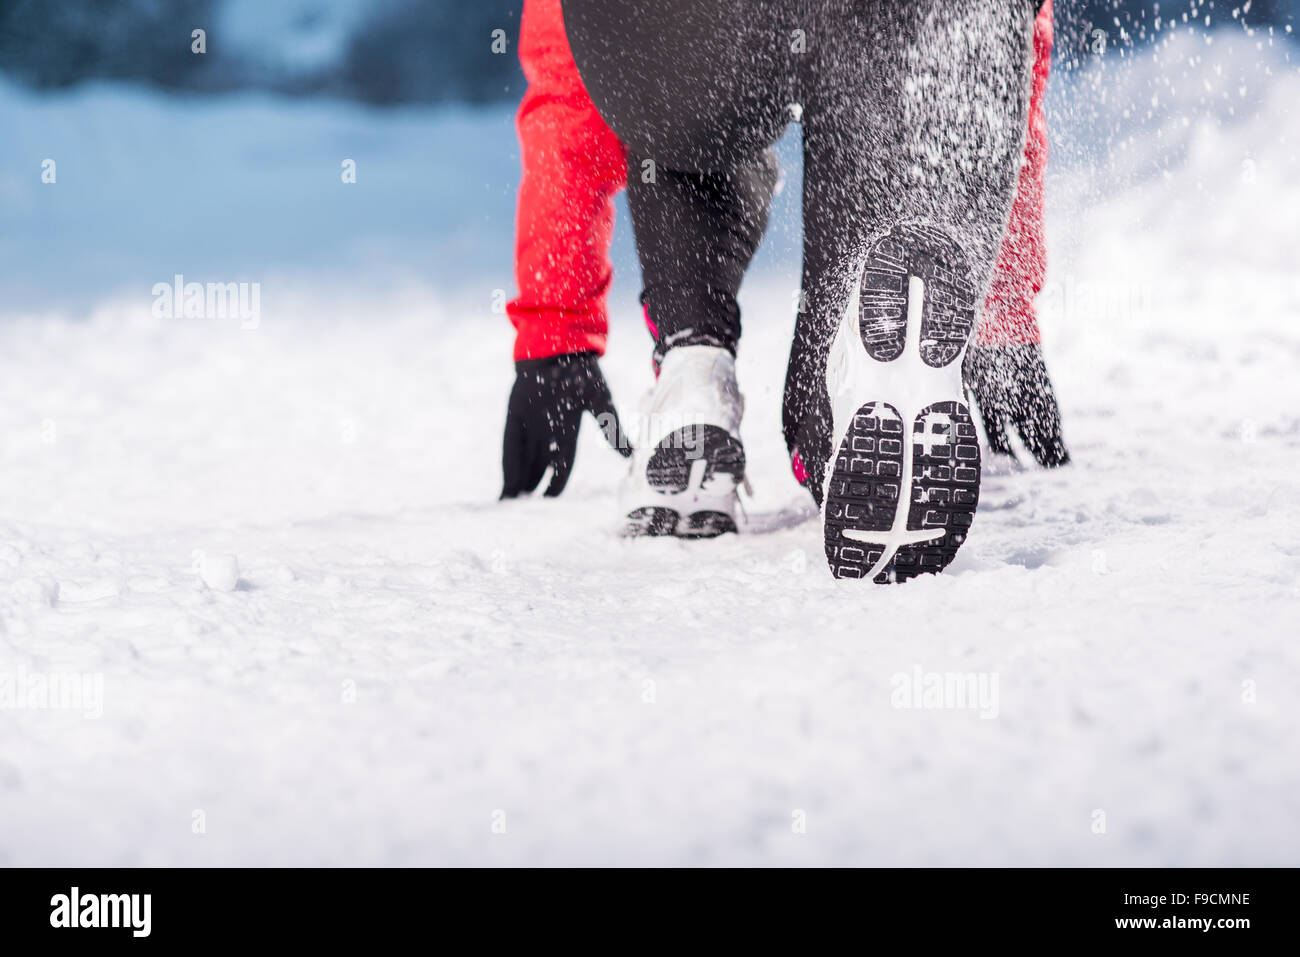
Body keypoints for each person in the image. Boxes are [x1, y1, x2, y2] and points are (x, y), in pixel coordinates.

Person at [501, 0, 1067, 583]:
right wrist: (1002, 315)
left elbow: (570, 62)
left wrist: (555, 335)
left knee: (671, 115)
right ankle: (851, 376)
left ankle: (692, 373)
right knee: (926, 50)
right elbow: (1010, 52)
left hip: (679, 38)